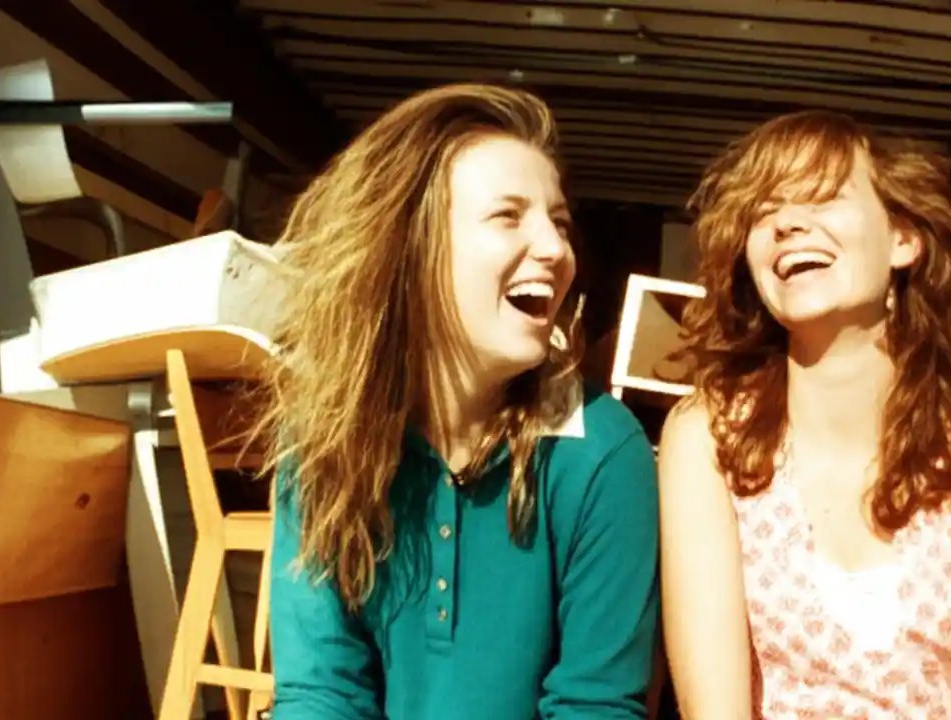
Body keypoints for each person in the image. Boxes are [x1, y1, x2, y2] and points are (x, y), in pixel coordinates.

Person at [256, 83, 660, 720]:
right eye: (508, 215)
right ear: (409, 246)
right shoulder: (323, 440)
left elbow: (597, 705)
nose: (557, 250)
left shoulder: (605, 452)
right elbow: (321, 692)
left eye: (559, 221)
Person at [657, 110, 951, 719]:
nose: (788, 222)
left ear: (903, 239)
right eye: (765, 212)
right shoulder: (706, 439)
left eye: (822, 197)